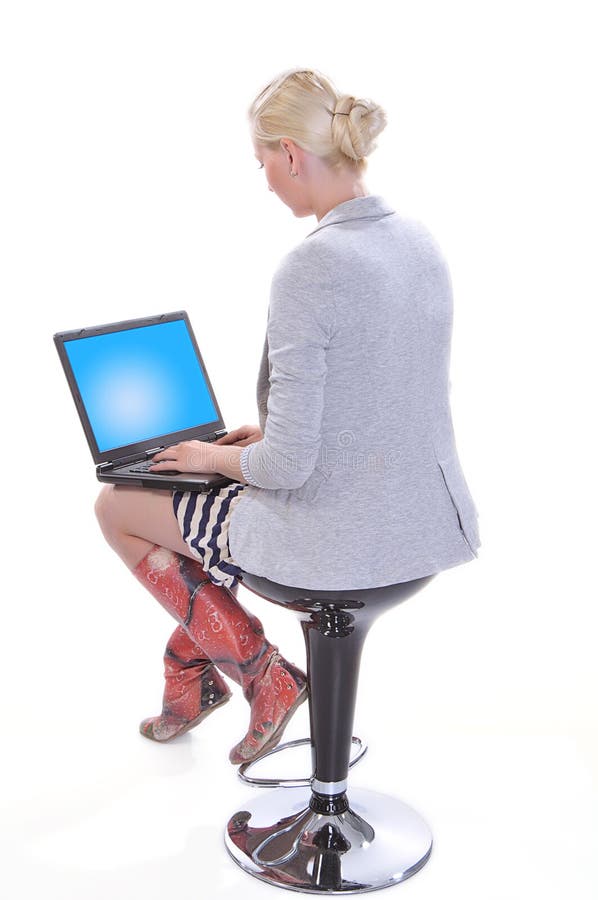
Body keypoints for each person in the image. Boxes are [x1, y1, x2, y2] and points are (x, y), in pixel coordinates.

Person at [95, 66, 481, 765]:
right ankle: (189, 679)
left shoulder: (313, 265)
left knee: (117, 505)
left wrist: (214, 456)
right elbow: (379, 395)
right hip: (420, 523)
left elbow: (287, 468)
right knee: (211, 499)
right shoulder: (417, 238)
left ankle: (264, 677)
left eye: (262, 160)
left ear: (292, 155)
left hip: (337, 540)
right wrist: (263, 435)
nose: (265, 178)